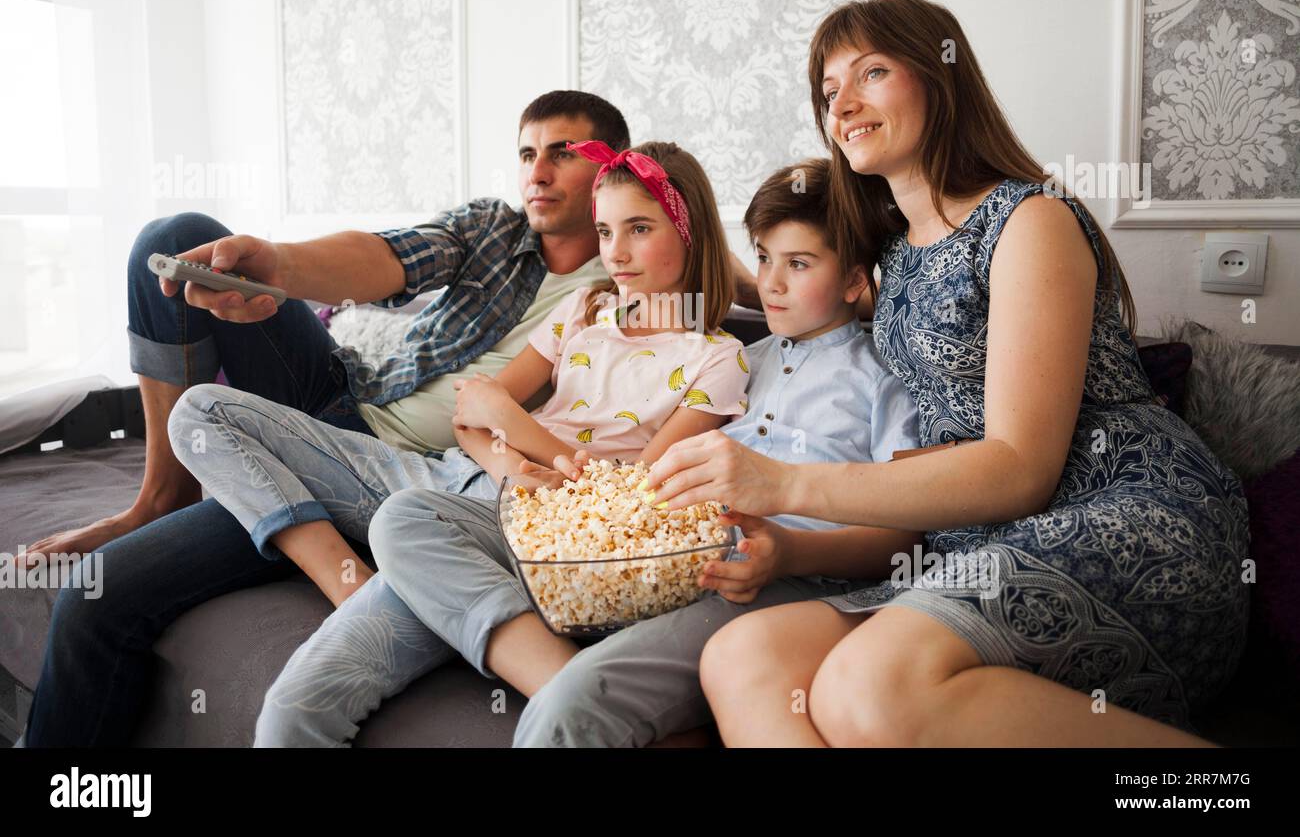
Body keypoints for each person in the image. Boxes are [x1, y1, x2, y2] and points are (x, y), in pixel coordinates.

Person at [642, 0, 1250, 747]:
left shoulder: (1030, 220)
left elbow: (1021, 468)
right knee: (742, 657)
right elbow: (780, 284)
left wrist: (781, 483)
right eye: (829, 92)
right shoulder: (889, 255)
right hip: (975, 542)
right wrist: (664, 259)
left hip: (1122, 513)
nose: (845, 103)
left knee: (864, 686)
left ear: (939, 77)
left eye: (872, 73)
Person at [20, 90, 630, 746]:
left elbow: (724, 270)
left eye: (562, 155)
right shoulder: (495, 230)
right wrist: (282, 267)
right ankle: (164, 493)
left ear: (615, 168)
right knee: (174, 240)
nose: (535, 173)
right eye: (527, 154)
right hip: (338, 398)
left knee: (97, 598)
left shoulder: (632, 282)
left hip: (408, 478)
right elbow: (388, 255)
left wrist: (747, 275)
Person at [252, 156, 920, 747]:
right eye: (765, 260)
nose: (771, 285)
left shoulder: (852, 375)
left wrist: (788, 550)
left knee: (564, 716)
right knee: (304, 689)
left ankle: (563, 672)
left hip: (717, 568)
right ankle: (544, 652)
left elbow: (904, 531)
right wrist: (512, 455)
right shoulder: (751, 355)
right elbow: (489, 420)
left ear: (858, 282)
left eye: (796, 265)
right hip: (574, 535)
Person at [165, 140, 749, 611]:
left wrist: (513, 427)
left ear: (690, 229)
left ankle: (387, 585)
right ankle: (350, 585)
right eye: (605, 231)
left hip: (526, 519)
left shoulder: (718, 358)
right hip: (446, 473)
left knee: (396, 536)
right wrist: (505, 462)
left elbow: (636, 498)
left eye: (639, 229)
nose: (616, 252)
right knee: (201, 410)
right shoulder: (586, 309)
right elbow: (470, 414)